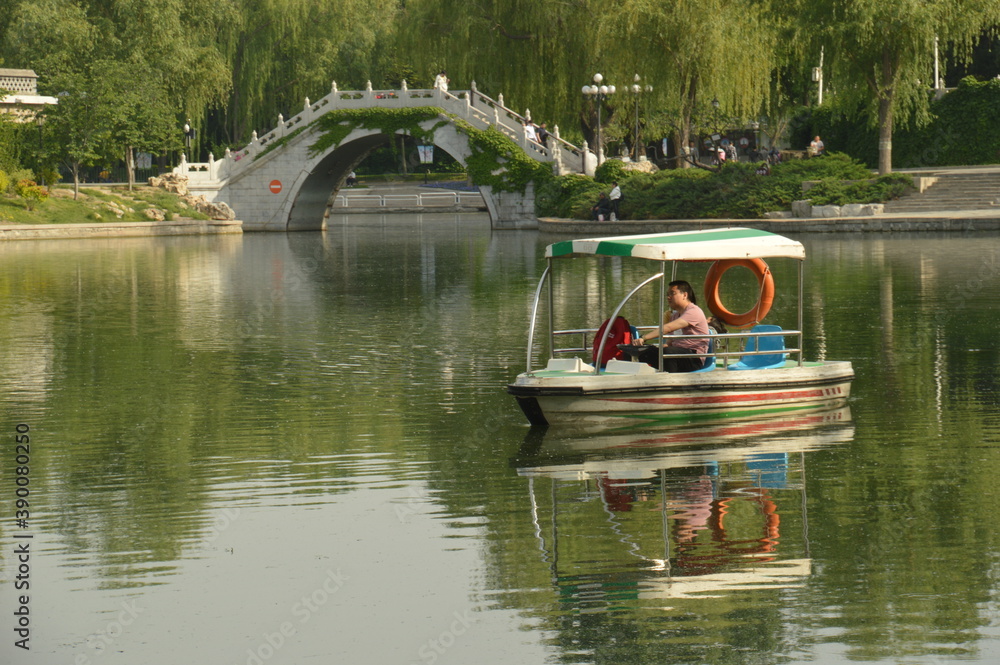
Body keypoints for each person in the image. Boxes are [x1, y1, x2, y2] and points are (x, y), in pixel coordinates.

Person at [634, 280, 710, 372]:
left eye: (672, 293)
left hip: (693, 357)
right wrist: (654, 348)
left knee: (668, 353)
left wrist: (644, 338)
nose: (668, 297)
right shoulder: (675, 316)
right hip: (677, 353)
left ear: (684, 295)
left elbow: (668, 328)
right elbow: (670, 342)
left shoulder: (693, 311)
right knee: (644, 351)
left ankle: (670, 379)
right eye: (668, 294)